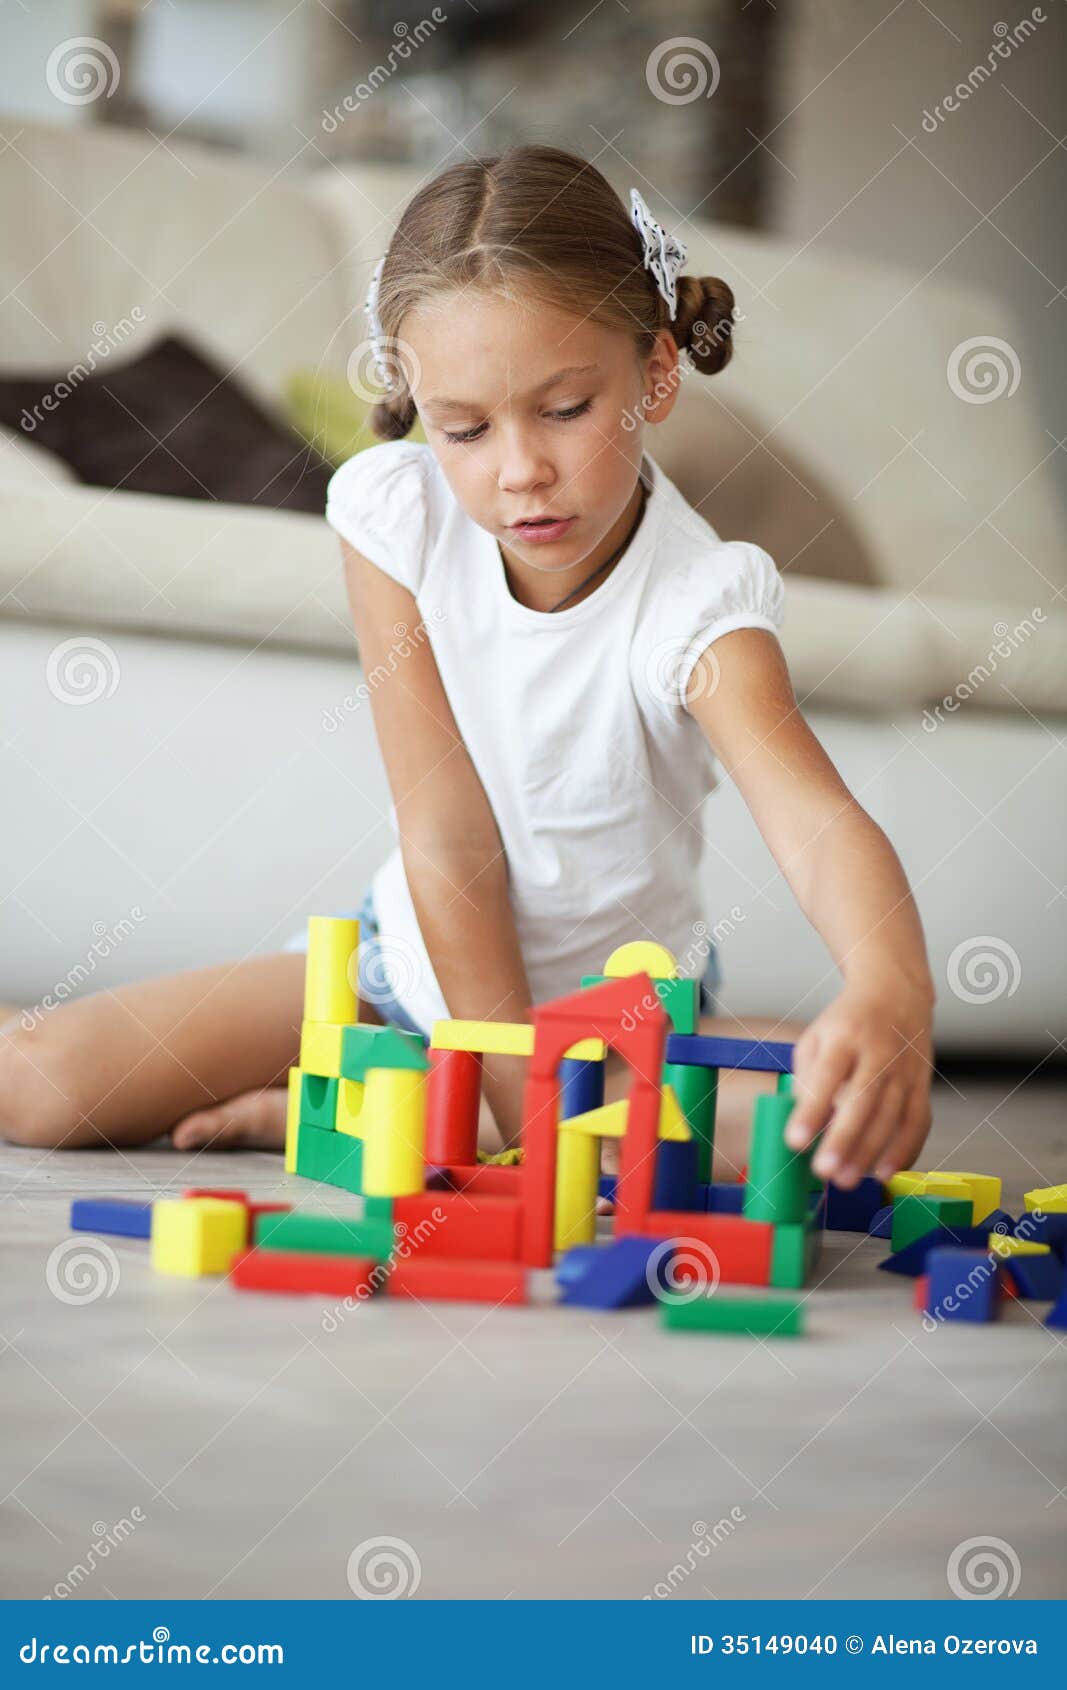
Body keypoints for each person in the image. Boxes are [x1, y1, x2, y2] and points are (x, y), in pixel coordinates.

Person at [0, 144, 934, 1190]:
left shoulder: (698, 602)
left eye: (565, 410)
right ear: (415, 405)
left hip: (614, 1028)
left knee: (839, 1130)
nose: (520, 470)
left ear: (657, 373)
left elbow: (812, 820)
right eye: (464, 429)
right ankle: (413, 1102)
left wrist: (888, 993)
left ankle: (376, 1114)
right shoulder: (396, 522)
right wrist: (513, 1101)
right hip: (401, 976)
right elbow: (444, 834)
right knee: (42, 1086)